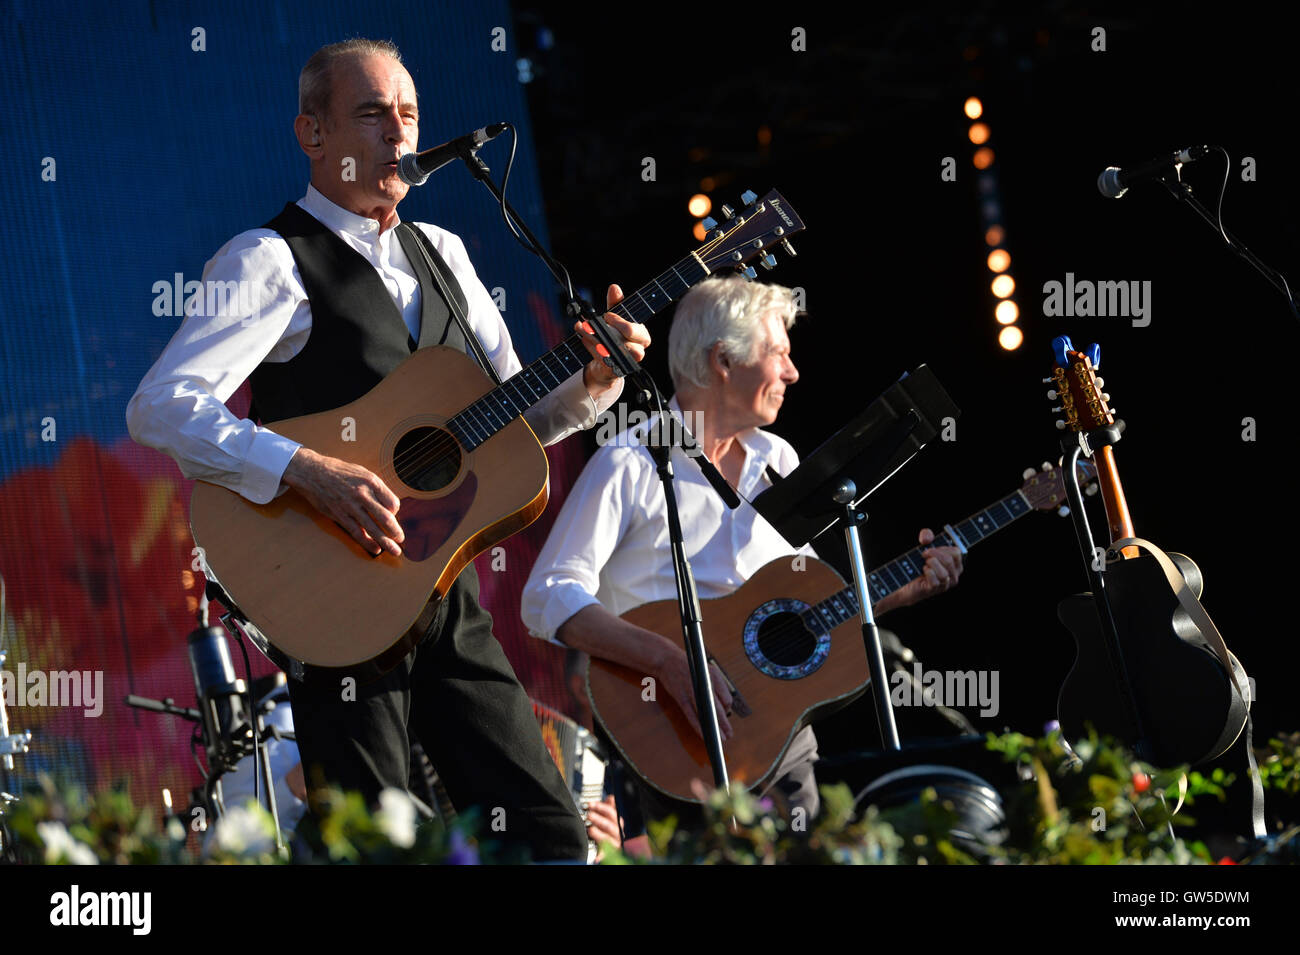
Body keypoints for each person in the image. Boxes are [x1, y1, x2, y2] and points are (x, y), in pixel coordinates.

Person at [127, 38, 650, 861]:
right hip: (335, 599)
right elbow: (160, 406)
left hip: (445, 593)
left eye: (407, 114)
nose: (398, 134)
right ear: (313, 134)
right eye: (371, 114)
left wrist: (594, 379)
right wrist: (303, 467)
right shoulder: (268, 260)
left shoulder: (445, 255)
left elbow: (520, 419)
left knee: (550, 829)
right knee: (380, 843)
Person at [520, 275, 963, 826]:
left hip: (777, 741)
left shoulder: (777, 460)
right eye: (779, 354)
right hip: (670, 740)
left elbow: (806, 610)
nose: (793, 373)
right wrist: (666, 660)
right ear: (724, 361)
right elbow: (546, 595)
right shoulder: (630, 461)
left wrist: (895, 595)